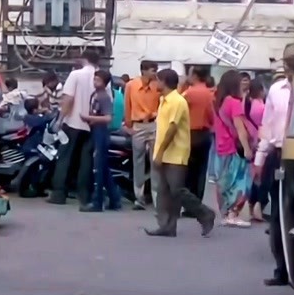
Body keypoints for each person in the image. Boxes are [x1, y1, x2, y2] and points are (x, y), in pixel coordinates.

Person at [144, 69, 215, 237]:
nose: (156, 84)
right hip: (164, 151)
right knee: (163, 191)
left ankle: (204, 213)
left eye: (158, 80)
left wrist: (160, 151)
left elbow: (172, 128)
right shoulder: (164, 100)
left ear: (164, 81)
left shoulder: (177, 101)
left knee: (177, 190)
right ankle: (167, 225)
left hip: (176, 152)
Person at [254, 44, 294, 287]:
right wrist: (260, 158)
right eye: (287, 60)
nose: (288, 63)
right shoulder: (276, 90)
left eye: (293, 59)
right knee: (278, 215)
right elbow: (267, 125)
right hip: (279, 152)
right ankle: (281, 269)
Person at [48, 50, 99, 207]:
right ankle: (84, 195)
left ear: (83, 59)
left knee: (65, 158)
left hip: (73, 122)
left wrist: (60, 119)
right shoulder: (101, 77)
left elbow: (68, 99)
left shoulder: (76, 75)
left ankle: (59, 194)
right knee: (86, 160)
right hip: (92, 124)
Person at [209, 70, 253, 227]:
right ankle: (232, 213)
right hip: (234, 147)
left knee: (224, 182)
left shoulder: (218, 101)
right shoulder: (234, 103)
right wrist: (247, 149)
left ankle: (225, 213)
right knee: (242, 182)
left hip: (221, 146)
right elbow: (240, 129)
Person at [81, 69, 121, 212]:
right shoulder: (94, 95)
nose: (94, 82)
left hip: (101, 132)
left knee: (98, 168)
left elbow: (108, 118)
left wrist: (89, 118)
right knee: (103, 167)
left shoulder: (104, 97)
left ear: (105, 83)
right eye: (94, 79)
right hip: (94, 130)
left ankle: (97, 202)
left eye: (98, 80)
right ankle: (115, 199)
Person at [123, 61, 160, 210]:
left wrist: (154, 115)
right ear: (144, 71)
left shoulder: (157, 85)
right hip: (137, 125)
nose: (155, 73)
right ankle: (139, 197)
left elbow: (162, 104)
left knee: (155, 162)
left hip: (153, 124)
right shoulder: (131, 85)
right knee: (137, 162)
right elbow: (127, 105)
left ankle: (156, 196)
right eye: (153, 70)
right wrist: (128, 125)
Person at [182, 67, 215, 202]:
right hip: (205, 134)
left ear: (194, 75)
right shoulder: (210, 93)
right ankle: (198, 200)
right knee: (202, 170)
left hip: (190, 133)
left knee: (188, 170)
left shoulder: (189, 93)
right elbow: (212, 116)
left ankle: (190, 202)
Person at [18, 97, 54, 197]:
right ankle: (32, 188)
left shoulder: (28, 117)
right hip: (33, 147)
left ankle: (37, 187)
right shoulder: (32, 118)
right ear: (34, 109)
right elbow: (46, 119)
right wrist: (48, 112)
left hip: (34, 146)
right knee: (36, 167)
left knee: (37, 167)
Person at [243, 78, 267, 221]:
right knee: (260, 176)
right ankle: (256, 204)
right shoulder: (260, 107)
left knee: (255, 175)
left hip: (252, 140)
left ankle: (252, 205)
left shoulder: (248, 104)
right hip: (261, 141)